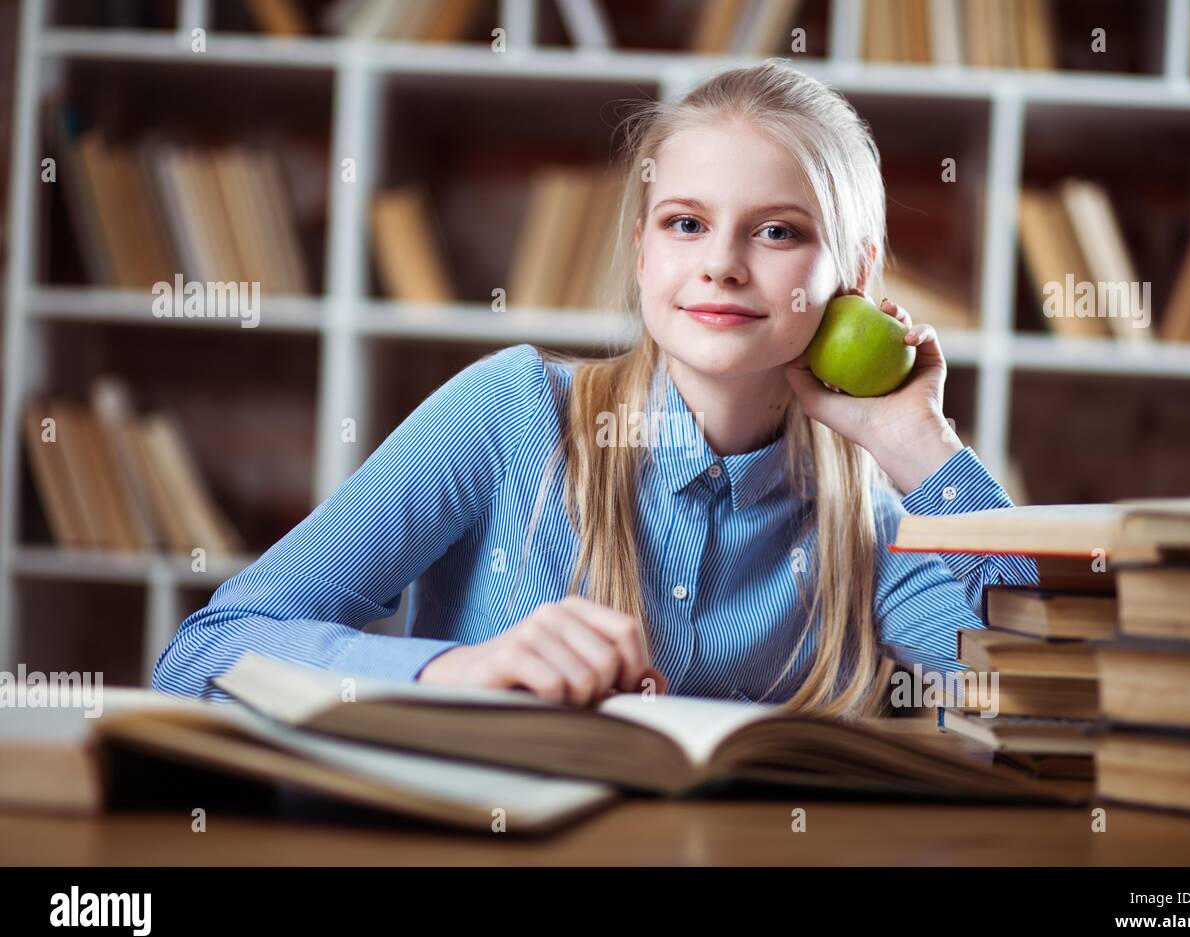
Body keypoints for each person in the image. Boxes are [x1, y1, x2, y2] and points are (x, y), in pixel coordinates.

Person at [153, 60, 1036, 721]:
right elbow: (204, 656)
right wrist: (454, 672)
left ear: (857, 274)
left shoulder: (871, 523)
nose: (721, 266)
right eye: (685, 224)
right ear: (644, 252)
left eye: (777, 231)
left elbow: (1048, 706)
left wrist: (923, 445)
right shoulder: (510, 414)